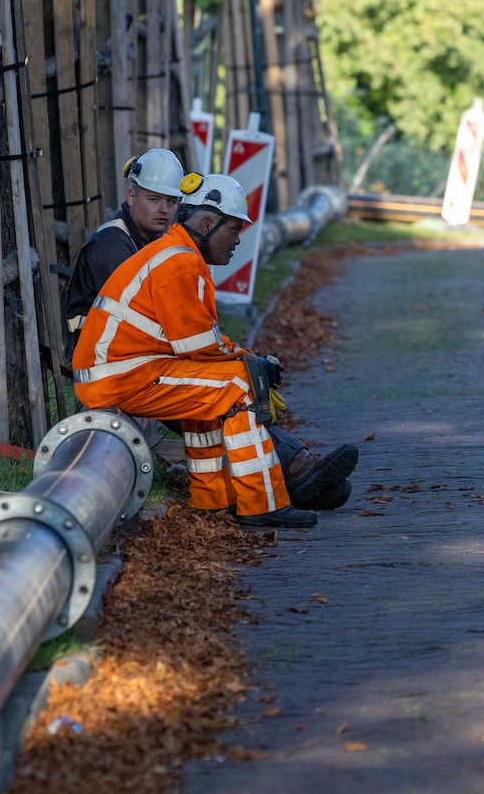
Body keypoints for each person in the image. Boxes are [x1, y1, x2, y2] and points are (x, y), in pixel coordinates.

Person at [70, 173, 356, 529]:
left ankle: (212, 498)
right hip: (121, 376)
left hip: (121, 371)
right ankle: (262, 503)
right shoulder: (179, 263)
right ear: (207, 224)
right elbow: (198, 346)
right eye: (233, 230)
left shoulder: (175, 254)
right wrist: (251, 365)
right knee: (239, 385)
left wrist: (247, 359)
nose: (237, 241)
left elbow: (200, 340)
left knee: (210, 397)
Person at [63, 148, 186, 332]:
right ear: (131, 197)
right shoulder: (111, 245)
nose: (164, 209)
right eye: (154, 199)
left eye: (172, 201)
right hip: (97, 346)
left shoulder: (152, 239)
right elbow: (138, 311)